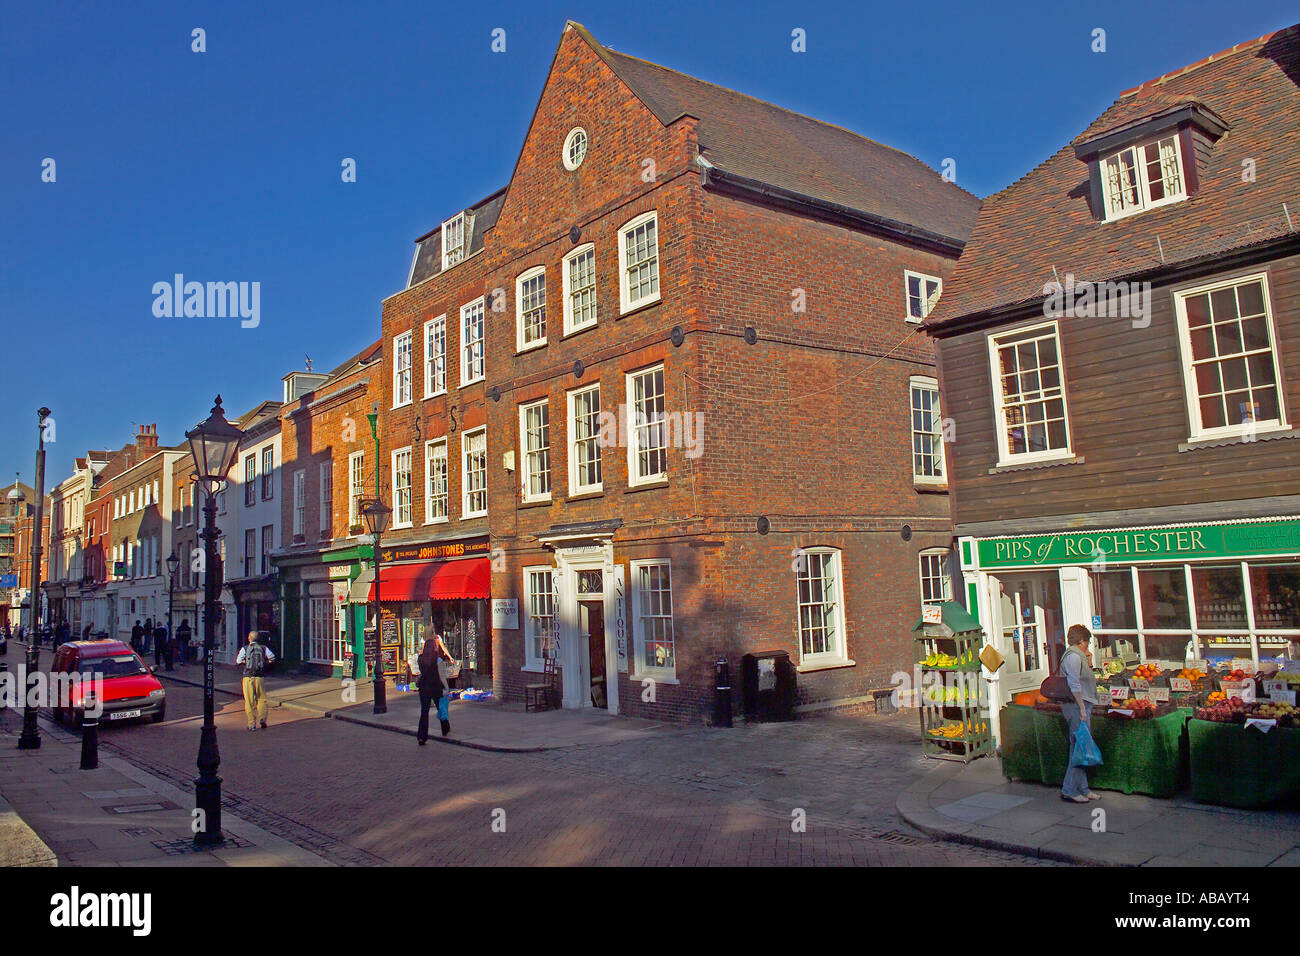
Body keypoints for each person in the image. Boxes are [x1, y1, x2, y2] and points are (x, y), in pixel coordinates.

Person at [1060, 624, 1102, 804]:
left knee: (1082, 747)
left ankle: (1083, 788)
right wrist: (1082, 708)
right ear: (1081, 641)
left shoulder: (1079, 656)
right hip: (1078, 706)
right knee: (1078, 747)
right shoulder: (1073, 657)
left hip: (1082, 704)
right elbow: (1074, 684)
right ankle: (1069, 789)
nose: (1088, 646)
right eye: (1087, 642)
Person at [415, 633, 456, 744]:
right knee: (441, 708)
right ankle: (445, 728)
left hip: (424, 687)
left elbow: (422, 671)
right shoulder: (438, 660)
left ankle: (422, 736)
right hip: (436, 686)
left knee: (424, 712)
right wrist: (446, 688)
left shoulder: (421, 659)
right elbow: (442, 676)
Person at [235, 631, 276, 731]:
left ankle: (252, 724)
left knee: (249, 701)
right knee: (261, 699)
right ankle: (262, 719)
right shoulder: (264, 648)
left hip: (248, 677)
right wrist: (264, 663)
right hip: (260, 677)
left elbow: (238, 661)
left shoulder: (245, 648)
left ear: (249, 638)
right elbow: (272, 658)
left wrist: (246, 662)